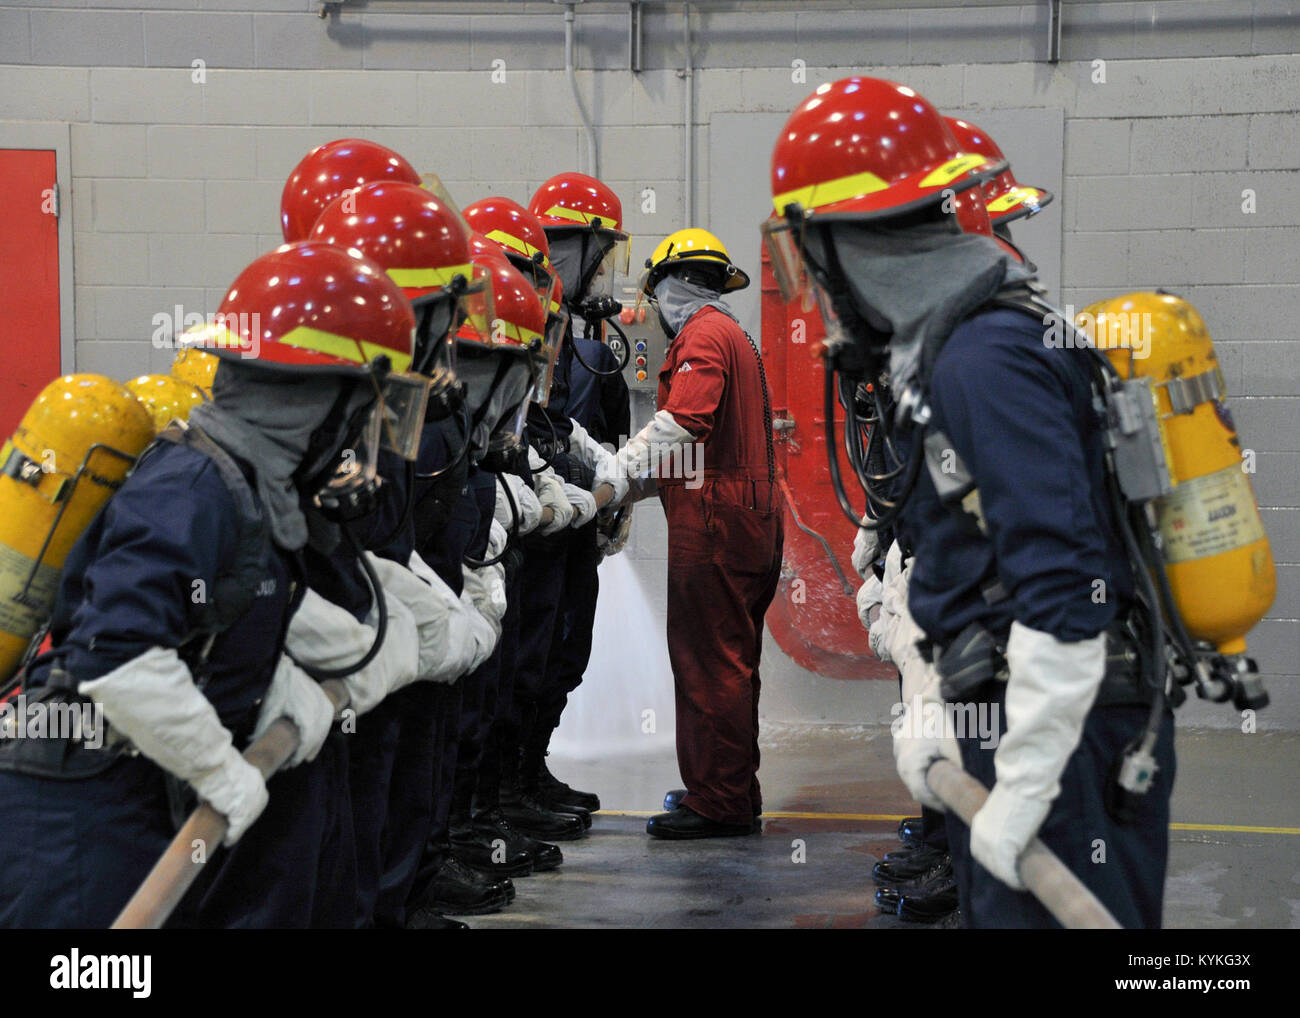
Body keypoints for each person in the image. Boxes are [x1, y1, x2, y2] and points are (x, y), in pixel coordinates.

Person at [766, 76, 1174, 928]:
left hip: (1064, 735)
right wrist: (944, 712)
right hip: (1024, 715)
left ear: (846, 242)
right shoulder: (961, 339)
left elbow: (1066, 581)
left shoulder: (985, 359)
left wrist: (1027, 778)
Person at [0, 240, 424, 928]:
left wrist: (279, 693)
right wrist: (219, 770)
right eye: (358, 409)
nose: (358, 436)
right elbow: (120, 654)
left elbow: (220, 630)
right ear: (311, 399)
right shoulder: (195, 486)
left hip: (130, 789)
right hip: (74, 803)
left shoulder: (254, 489)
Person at [597, 228, 783, 840]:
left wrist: (618, 472)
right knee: (731, 661)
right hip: (743, 518)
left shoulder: (702, 334)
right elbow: (703, 448)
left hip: (716, 527)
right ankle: (727, 786)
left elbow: (686, 422)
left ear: (669, 286)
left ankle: (720, 802)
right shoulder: (733, 334)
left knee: (709, 664)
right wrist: (638, 487)